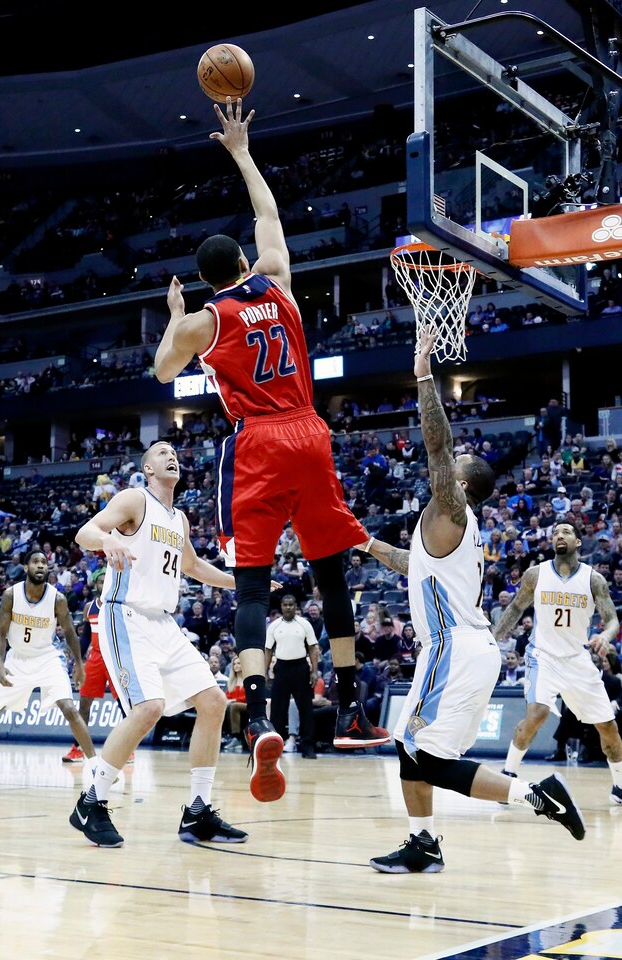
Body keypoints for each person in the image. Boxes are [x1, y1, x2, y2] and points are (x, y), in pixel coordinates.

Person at [153, 98, 389, 803]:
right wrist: (243, 153)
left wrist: (174, 322)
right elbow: (270, 217)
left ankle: (255, 713)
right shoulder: (280, 282)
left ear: (205, 279)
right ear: (247, 263)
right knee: (332, 576)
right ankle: (351, 707)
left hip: (258, 442)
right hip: (310, 431)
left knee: (253, 586)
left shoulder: (206, 318)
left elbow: (165, 370)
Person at [361, 329, 586, 874]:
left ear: (459, 484)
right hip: (462, 647)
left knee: (431, 760)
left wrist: (421, 374)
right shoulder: (442, 530)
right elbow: (411, 566)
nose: (446, 463)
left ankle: (536, 794)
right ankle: (423, 843)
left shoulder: (452, 511)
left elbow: (436, 444)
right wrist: (361, 541)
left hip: (453, 649)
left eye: (452, 467)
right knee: (410, 748)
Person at [68, 441, 249, 847]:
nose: (172, 456)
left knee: (214, 702)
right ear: (148, 468)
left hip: (164, 623)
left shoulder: (179, 519)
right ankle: (91, 802)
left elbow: (193, 566)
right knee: (148, 708)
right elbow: (85, 532)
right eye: (162, 452)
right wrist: (107, 540)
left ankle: (198, 813)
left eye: (175, 454)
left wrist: (241, 582)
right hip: (126, 614)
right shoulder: (135, 499)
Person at [494, 520, 622, 804]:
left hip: (578, 659)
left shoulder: (593, 579)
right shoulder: (535, 574)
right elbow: (516, 608)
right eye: (555, 532)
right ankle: (508, 777)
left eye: (565, 531)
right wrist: (494, 638)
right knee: (537, 713)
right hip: (543, 655)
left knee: (608, 728)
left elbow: (612, 619)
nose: (558, 535)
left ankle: (619, 787)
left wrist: (606, 634)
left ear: (578, 542)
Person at [0, 549, 97, 783]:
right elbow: (0, 633)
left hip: (48, 658)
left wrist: (79, 663)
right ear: (26, 568)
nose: (41, 565)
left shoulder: (58, 599)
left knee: (69, 709)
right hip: (18, 659)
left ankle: (96, 766)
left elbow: (69, 633)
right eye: (35, 562)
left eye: (44, 562)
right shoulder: (11, 595)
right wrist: (1, 664)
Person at [61, 569, 135, 767]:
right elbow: (85, 637)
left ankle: (128, 749)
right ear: (95, 584)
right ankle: (78, 749)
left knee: (124, 706)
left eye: (106, 581)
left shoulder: (121, 605)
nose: (103, 584)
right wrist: (78, 662)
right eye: (100, 581)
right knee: (84, 705)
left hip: (117, 658)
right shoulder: (88, 607)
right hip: (95, 658)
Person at [265, 594, 319, 759]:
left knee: (305, 708)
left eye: (291, 604)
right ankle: (276, 746)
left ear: (296, 606)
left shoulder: (304, 624)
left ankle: (307, 746)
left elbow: (313, 647)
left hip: (300, 667)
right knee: (277, 710)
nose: (288, 607)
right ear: (281, 606)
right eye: (285, 604)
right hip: (281, 667)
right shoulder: (273, 626)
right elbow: (268, 650)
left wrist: (314, 670)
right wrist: (265, 670)